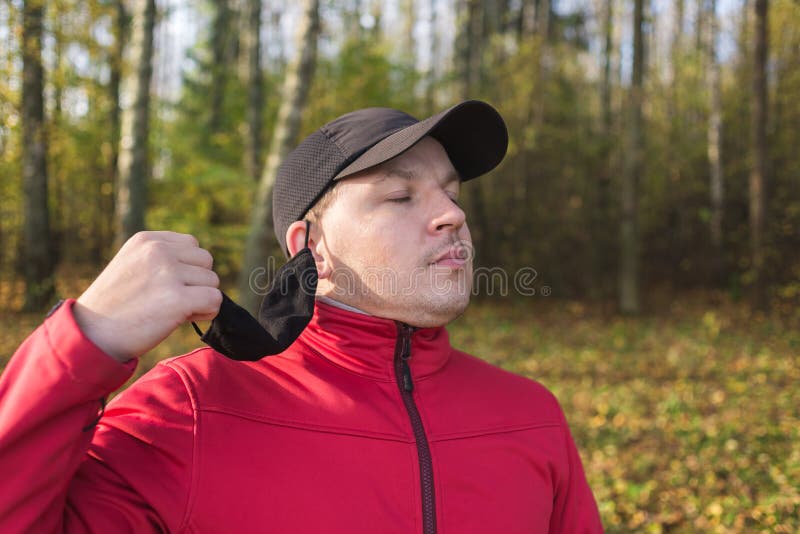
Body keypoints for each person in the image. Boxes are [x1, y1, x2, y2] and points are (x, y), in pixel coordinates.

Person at [0, 100, 603, 533]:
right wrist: (83, 345)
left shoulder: (530, 416)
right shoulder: (189, 412)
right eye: (399, 195)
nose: (451, 215)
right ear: (311, 248)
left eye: (452, 193)